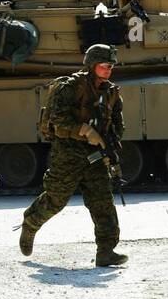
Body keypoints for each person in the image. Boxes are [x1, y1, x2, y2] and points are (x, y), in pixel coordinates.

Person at [18, 44, 127, 267]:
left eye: (111, 66)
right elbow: (58, 118)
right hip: (68, 152)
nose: (109, 70)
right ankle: (30, 223)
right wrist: (86, 131)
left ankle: (106, 251)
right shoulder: (70, 87)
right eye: (105, 66)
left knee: (103, 202)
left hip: (95, 154)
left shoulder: (111, 92)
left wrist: (110, 148)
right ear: (91, 65)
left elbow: (116, 124)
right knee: (56, 199)